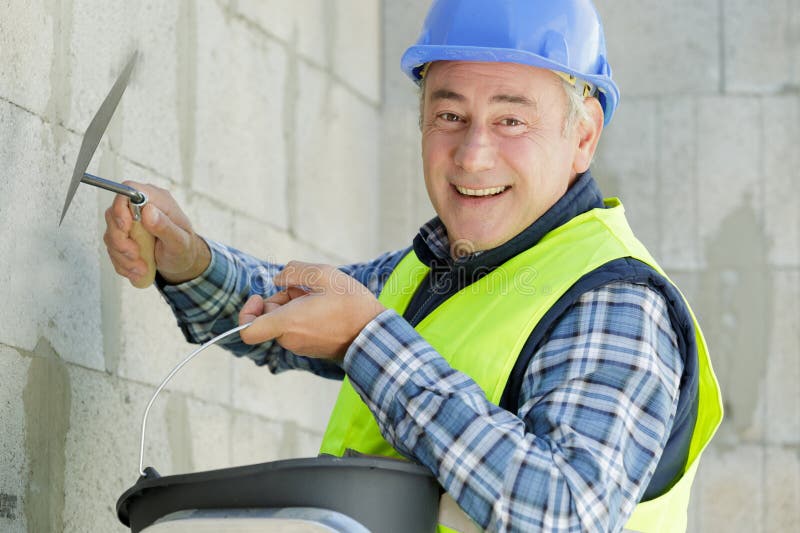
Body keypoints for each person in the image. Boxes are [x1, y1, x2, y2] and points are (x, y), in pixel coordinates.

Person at [103, 1, 723, 531]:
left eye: (512, 120)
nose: (473, 155)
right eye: (450, 116)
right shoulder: (439, 268)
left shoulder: (615, 300)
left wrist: (367, 340)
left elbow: (565, 513)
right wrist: (187, 260)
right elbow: (282, 311)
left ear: (583, 135)